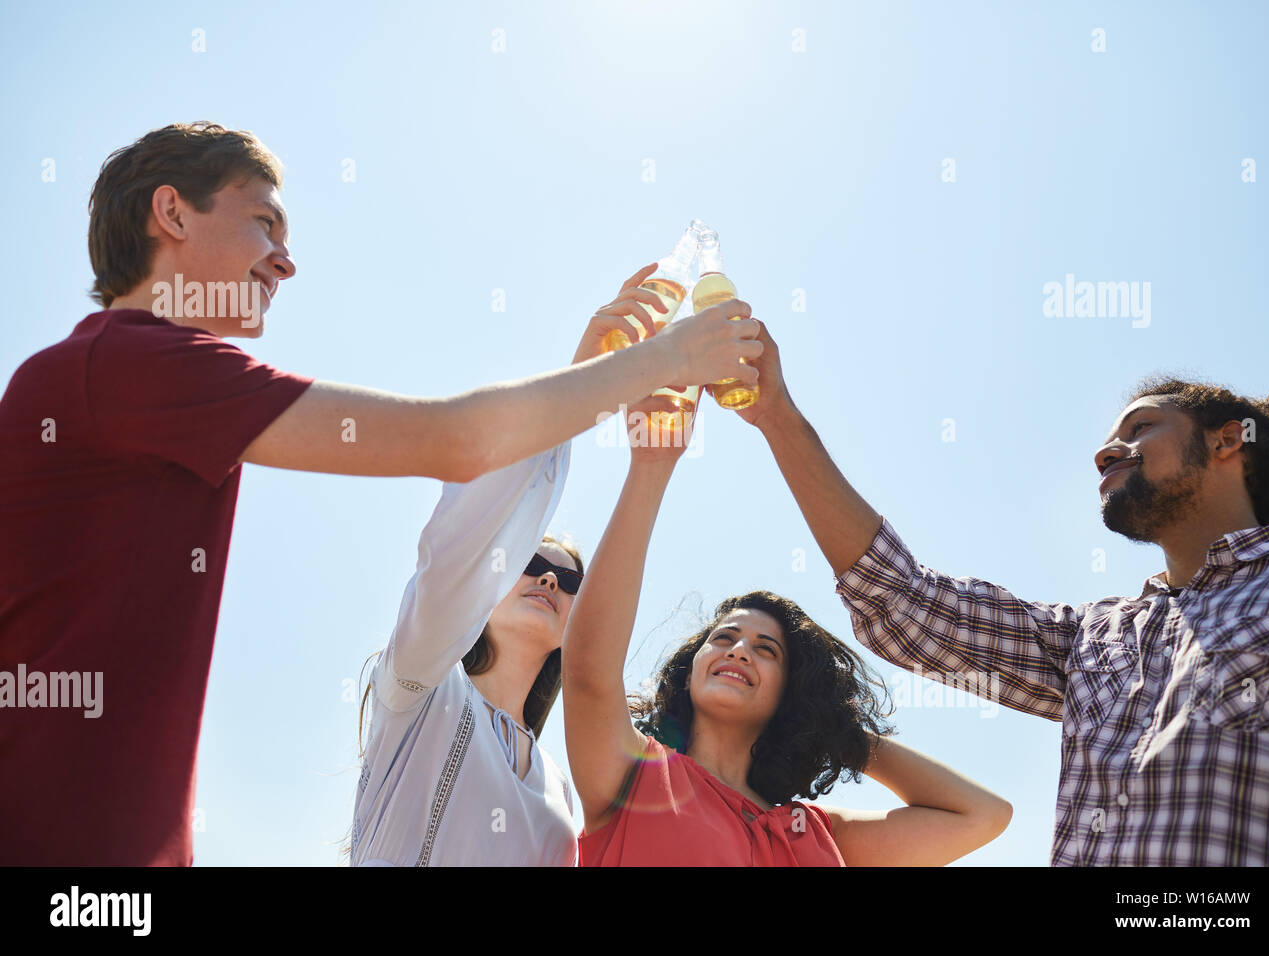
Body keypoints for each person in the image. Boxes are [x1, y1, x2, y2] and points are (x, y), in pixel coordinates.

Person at [0, 121, 761, 866]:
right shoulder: (128, 363)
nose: (285, 261)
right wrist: (657, 358)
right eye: (265, 222)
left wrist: (591, 375)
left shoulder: (140, 381)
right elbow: (456, 442)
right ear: (171, 212)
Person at [732, 320, 1269, 866]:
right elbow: (903, 599)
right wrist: (775, 416)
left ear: (1228, 440)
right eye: (1108, 440)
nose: (1105, 453)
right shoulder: (1096, 636)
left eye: (1141, 428)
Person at [562, 396, 1013, 866]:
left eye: (766, 650)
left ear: (789, 691)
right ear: (690, 667)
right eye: (723, 637)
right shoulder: (636, 774)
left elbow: (982, 815)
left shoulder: (814, 833)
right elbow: (589, 670)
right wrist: (650, 467)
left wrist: (836, 729)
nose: (738, 650)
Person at [349, 437, 582, 865]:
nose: (549, 581)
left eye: (569, 582)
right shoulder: (426, 684)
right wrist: (576, 405)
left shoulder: (559, 786)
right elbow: (448, 571)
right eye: (530, 565)